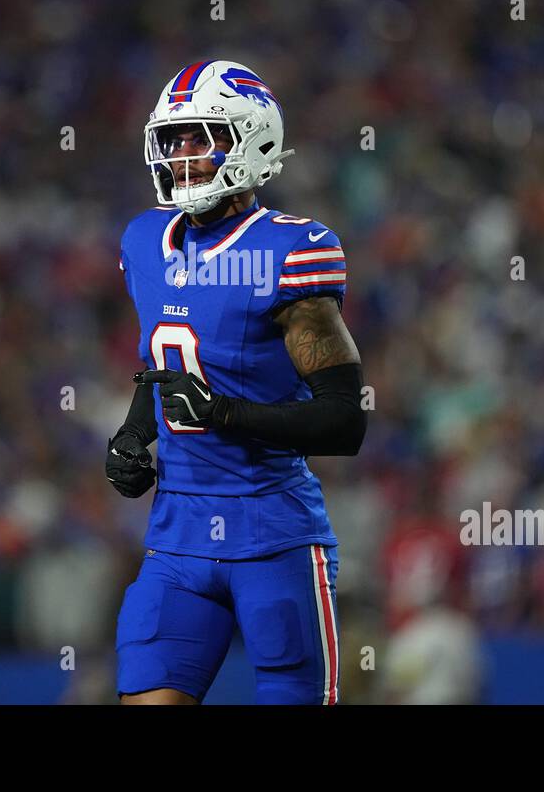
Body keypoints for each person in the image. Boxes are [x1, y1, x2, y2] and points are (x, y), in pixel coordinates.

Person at [105, 59, 367, 704]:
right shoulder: (145, 241)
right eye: (175, 140)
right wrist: (135, 435)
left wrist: (224, 414)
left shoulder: (289, 248)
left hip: (273, 534)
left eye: (202, 137)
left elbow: (344, 420)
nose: (183, 155)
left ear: (253, 141)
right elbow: (164, 367)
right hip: (176, 536)